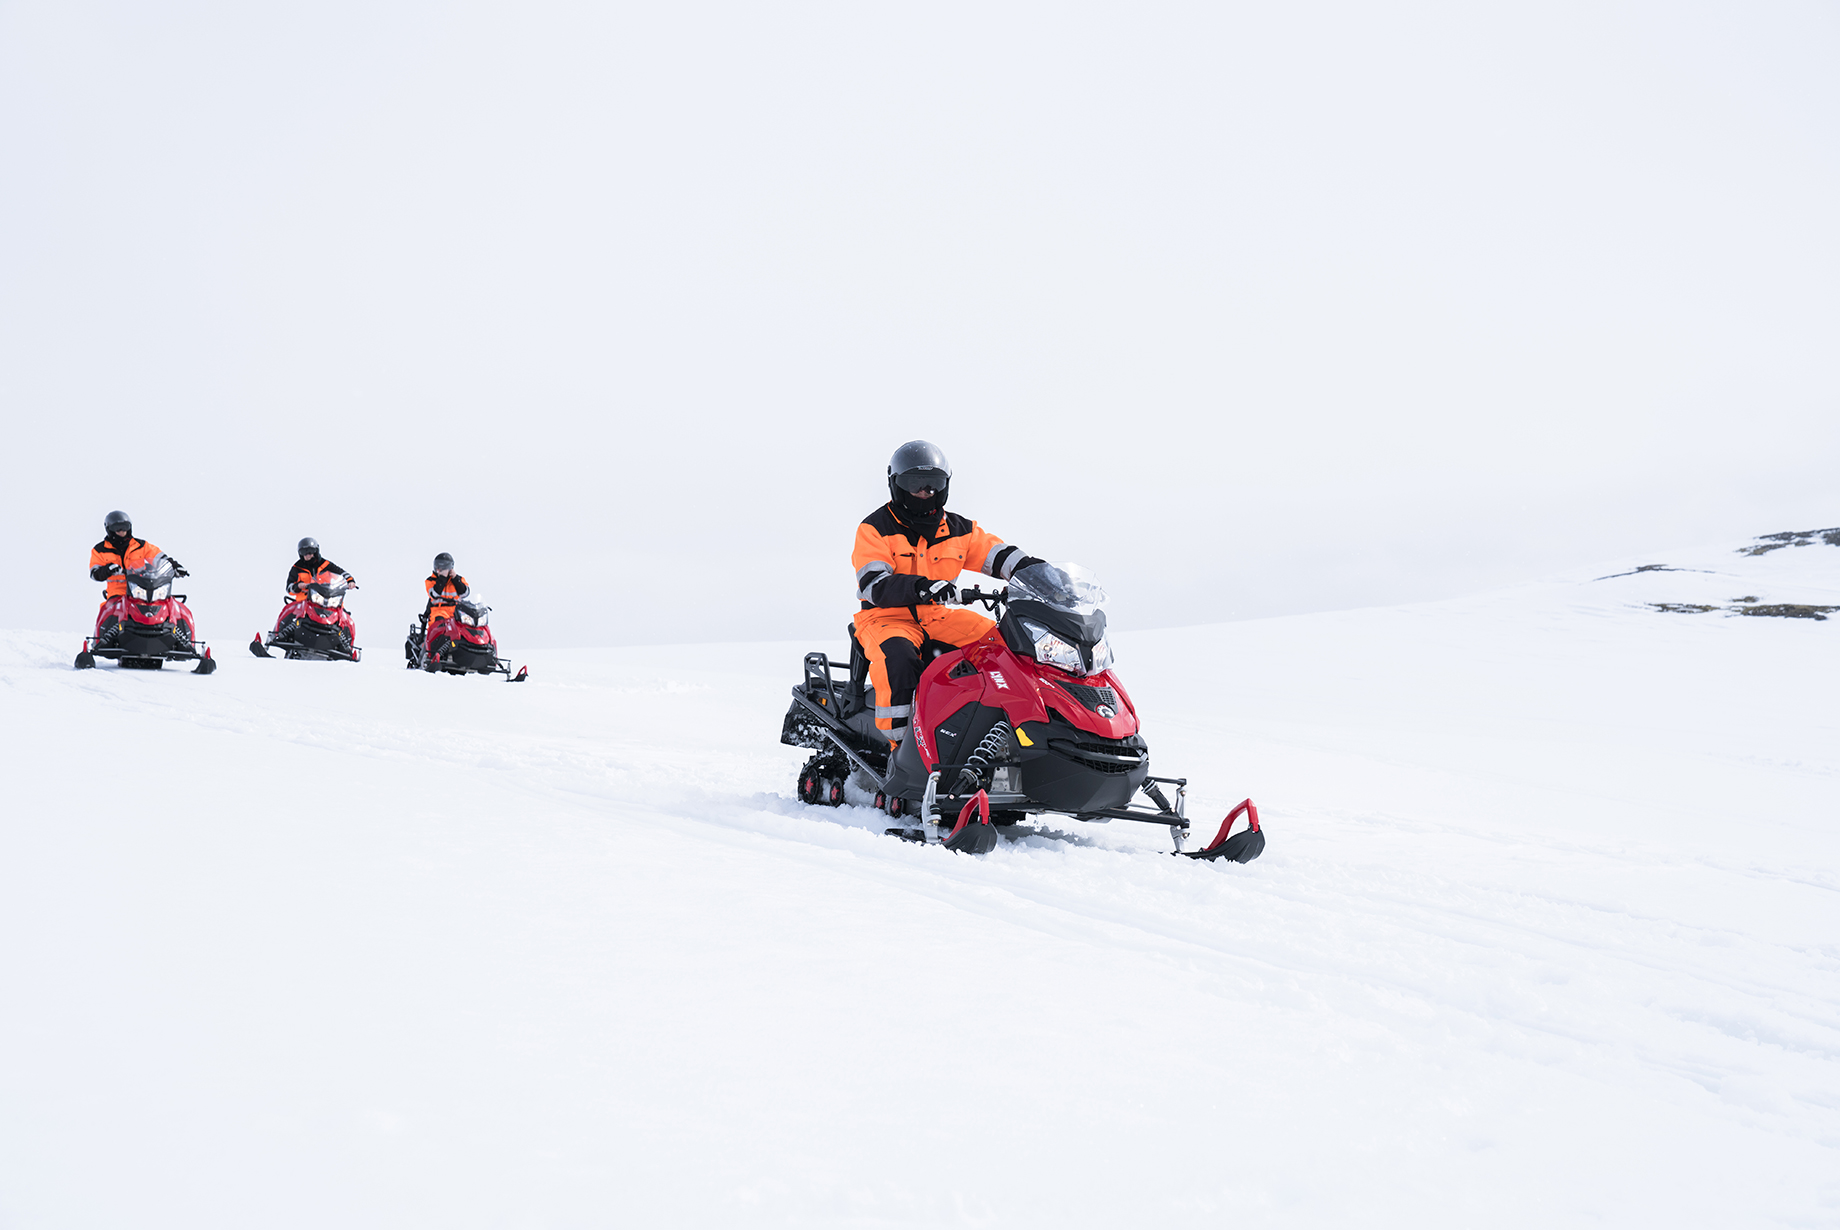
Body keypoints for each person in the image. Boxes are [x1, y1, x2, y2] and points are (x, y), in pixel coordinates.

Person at [852, 442, 1044, 744]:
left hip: (938, 617)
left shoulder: (959, 529)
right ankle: (900, 748)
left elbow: (997, 554)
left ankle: (1011, 731)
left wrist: (1038, 572)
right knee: (898, 661)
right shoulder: (875, 528)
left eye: (933, 484)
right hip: (886, 619)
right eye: (915, 484)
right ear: (897, 484)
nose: (924, 492)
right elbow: (874, 585)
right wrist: (922, 587)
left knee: (1003, 646)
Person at [88, 510, 185, 600]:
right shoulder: (100, 550)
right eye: (117, 528)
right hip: (117, 594)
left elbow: (160, 558)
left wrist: (175, 567)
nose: (122, 531)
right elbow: (94, 574)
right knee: (111, 611)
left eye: (125, 527)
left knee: (170, 605)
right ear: (110, 529)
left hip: (142, 591)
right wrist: (108, 570)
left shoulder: (141, 546)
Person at [285, 537, 357, 605]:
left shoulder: (325, 564)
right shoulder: (297, 568)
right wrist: (297, 586)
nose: (307, 555)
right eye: (304, 552)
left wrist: (350, 581)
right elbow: (289, 588)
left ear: (316, 551)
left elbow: (341, 573)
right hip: (304, 602)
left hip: (327, 600)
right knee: (290, 611)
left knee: (342, 612)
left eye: (310, 552)